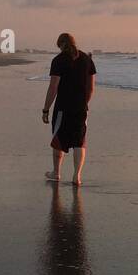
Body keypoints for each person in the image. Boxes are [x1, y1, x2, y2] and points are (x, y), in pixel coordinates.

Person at [41, 32, 95, 185]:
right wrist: (85, 103)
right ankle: (76, 176)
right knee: (79, 141)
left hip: (62, 108)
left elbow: (53, 87)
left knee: (59, 138)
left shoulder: (58, 60)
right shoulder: (87, 59)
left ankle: (56, 173)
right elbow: (91, 87)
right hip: (81, 108)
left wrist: (46, 109)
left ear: (61, 44)